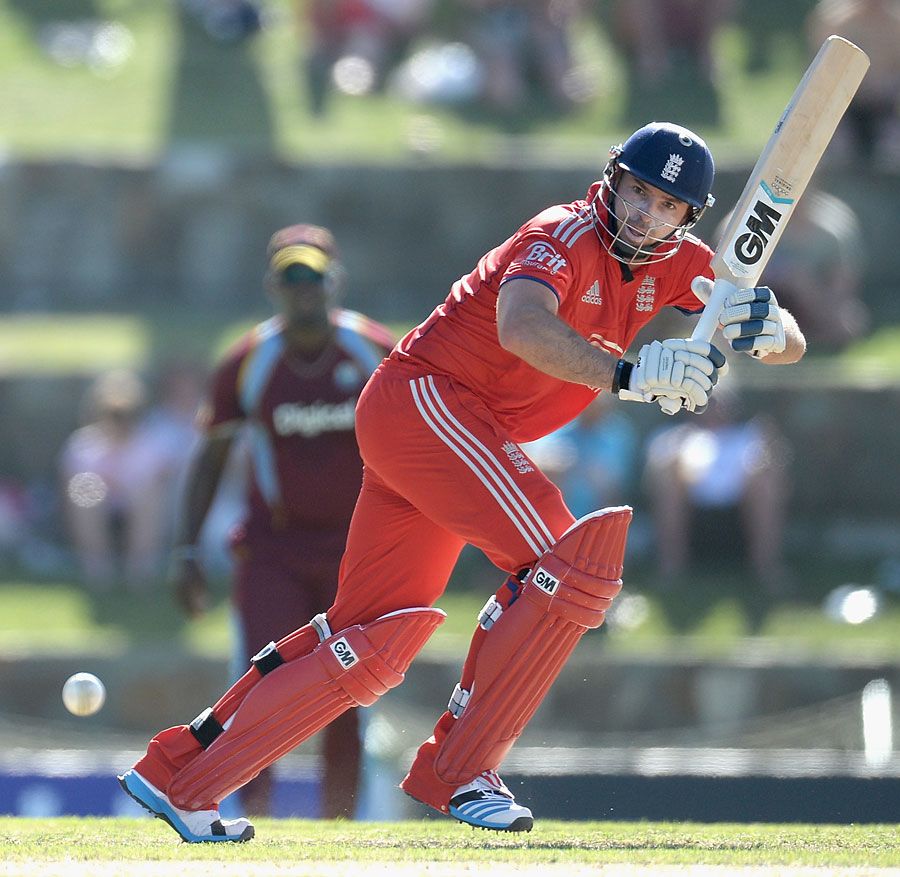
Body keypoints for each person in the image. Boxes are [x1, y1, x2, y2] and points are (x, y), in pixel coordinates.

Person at [117, 121, 807, 841]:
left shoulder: (682, 264)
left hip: (441, 429)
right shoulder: (561, 234)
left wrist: (768, 328)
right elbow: (522, 327)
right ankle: (462, 771)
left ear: (687, 217)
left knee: (370, 644)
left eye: (666, 205)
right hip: (432, 405)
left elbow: (787, 340)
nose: (645, 214)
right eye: (637, 191)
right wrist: (630, 375)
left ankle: (183, 778)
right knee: (568, 566)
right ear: (612, 179)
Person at [167, 223, 395, 819]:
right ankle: (251, 817)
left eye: (312, 278)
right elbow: (212, 457)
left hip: (355, 551)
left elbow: (419, 437)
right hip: (275, 550)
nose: (303, 292)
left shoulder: (373, 349)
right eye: (291, 279)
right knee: (261, 686)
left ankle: (339, 825)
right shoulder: (249, 361)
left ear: (334, 281)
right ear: (272, 286)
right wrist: (186, 552)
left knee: (347, 690)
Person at [643, 388, 793, 597]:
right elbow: (653, 475)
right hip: (694, 514)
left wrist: (769, 449)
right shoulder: (674, 436)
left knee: (766, 480)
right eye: (708, 402)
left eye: (720, 402)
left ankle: (767, 567)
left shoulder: (750, 436)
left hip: (738, 514)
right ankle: (671, 567)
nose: (715, 408)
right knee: (669, 482)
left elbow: (773, 471)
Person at [60, 369, 181, 593]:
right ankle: (97, 568)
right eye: (113, 414)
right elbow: (71, 488)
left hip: (142, 513)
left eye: (126, 414)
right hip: (99, 512)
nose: (120, 421)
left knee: (149, 496)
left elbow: (162, 483)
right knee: (83, 491)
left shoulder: (154, 443)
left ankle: (140, 569)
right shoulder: (82, 445)